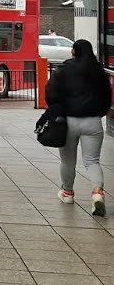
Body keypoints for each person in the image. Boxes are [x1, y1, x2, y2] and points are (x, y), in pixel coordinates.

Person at [44, 38, 109, 216]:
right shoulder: (99, 72)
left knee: (67, 161)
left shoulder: (63, 71)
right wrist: (98, 113)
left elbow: (51, 93)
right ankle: (97, 193)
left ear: (74, 52)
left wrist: (57, 111)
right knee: (92, 161)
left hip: (68, 122)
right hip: (93, 121)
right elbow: (107, 98)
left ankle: (67, 192)